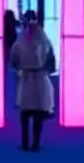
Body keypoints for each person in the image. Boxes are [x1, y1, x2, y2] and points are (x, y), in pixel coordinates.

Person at [10, 10, 55, 151]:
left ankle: (27, 142)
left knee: (27, 112)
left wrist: (17, 66)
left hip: (28, 77)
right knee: (36, 112)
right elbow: (50, 57)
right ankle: (35, 142)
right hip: (38, 76)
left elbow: (14, 56)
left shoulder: (22, 37)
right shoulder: (42, 37)